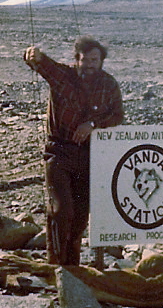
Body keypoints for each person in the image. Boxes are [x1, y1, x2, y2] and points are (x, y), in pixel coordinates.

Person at [24, 35, 124, 265]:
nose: (89, 65)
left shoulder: (108, 84)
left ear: (101, 61)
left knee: (80, 216)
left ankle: (72, 266)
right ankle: (56, 265)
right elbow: (40, 63)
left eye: (94, 60)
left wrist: (93, 125)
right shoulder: (64, 76)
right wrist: (33, 54)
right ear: (76, 59)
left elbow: (118, 115)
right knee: (61, 211)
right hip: (59, 152)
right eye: (85, 60)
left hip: (89, 155)